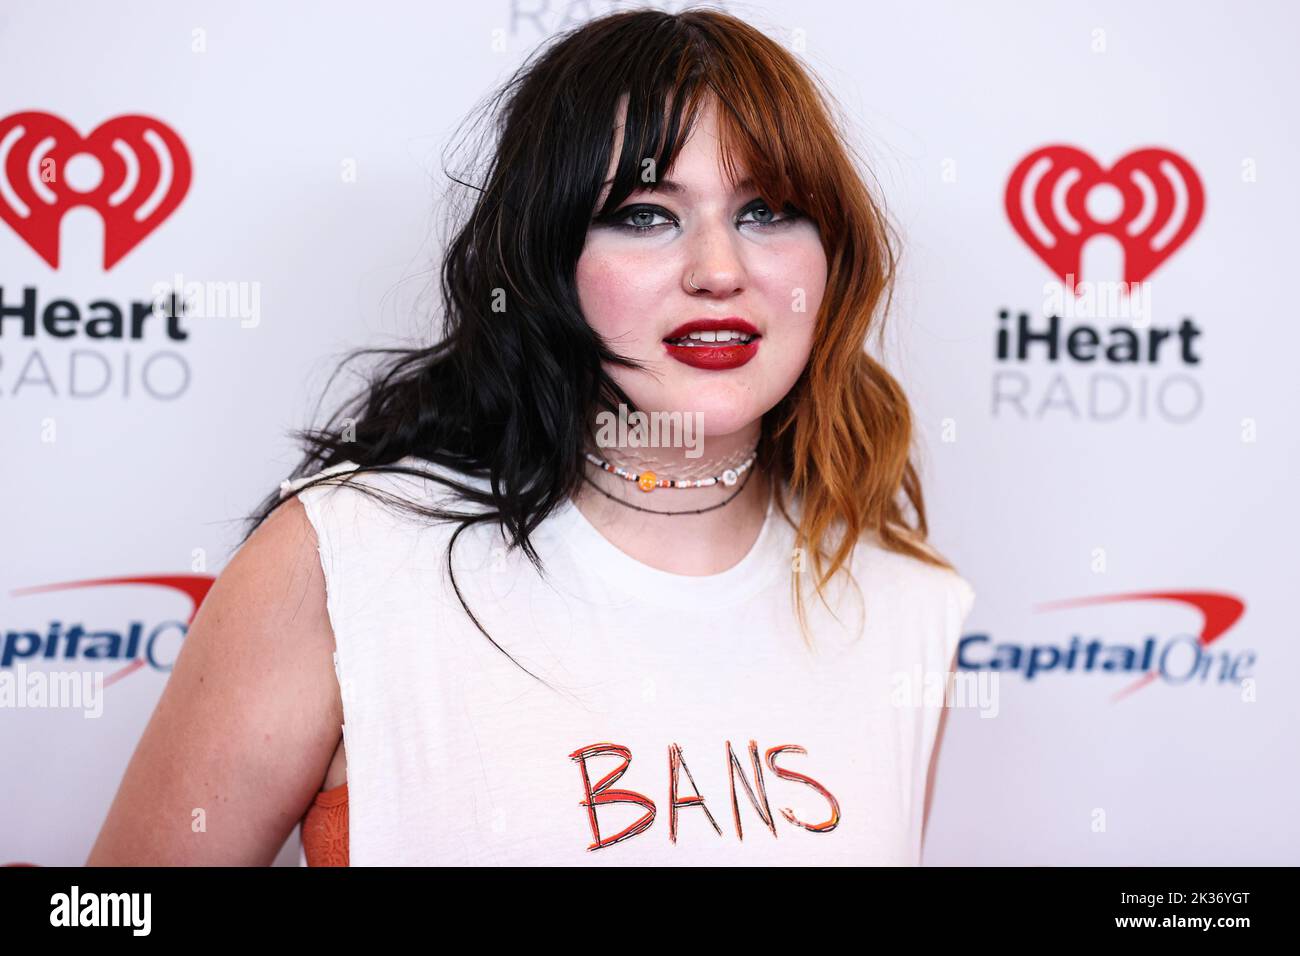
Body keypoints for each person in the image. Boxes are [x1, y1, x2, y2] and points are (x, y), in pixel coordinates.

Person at [86, 7, 974, 867]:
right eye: (644, 213)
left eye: (767, 210)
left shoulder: (906, 604)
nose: (720, 271)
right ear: (547, 261)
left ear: (832, 256)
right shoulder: (342, 559)